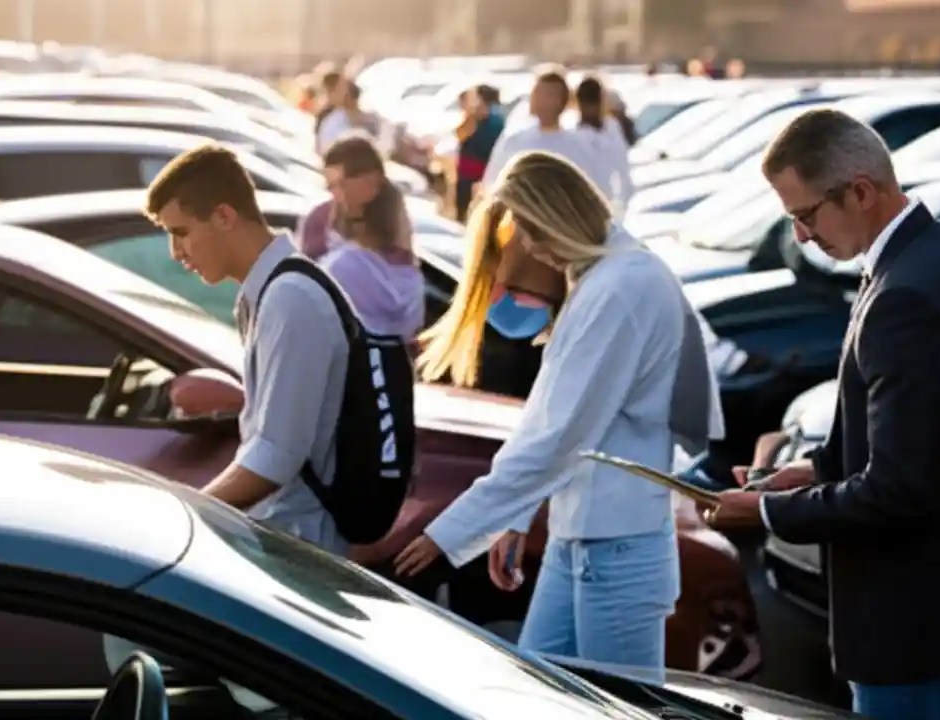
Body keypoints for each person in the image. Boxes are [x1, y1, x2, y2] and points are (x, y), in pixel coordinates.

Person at [705, 109, 940, 720]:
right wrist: (808, 473)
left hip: (913, 619)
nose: (802, 236)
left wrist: (764, 511)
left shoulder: (909, 293)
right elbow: (909, 441)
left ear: (860, 191)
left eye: (804, 215)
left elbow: (900, 488)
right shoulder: (925, 257)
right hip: (932, 612)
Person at [394, 150, 723, 670]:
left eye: (529, 234)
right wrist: (517, 515)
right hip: (584, 541)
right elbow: (551, 419)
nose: (529, 249)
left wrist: (449, 532)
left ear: (554, 218)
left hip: (616, 551)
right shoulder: (605, 279)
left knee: (615, 710)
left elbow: (559, 435)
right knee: (539, 694)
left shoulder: (620, 288)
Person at [148, 144, 349, 555]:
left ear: (224, 216)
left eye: (180, 232)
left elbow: (275, 458)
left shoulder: (291, 297)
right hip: (284, 540)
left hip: (302, 548)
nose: (175, 252)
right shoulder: (272, 291)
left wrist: (190, 516)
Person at [305, 132, 424, 341]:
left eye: (341, 184)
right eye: (331, 186)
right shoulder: (321, 222)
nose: (336, 194)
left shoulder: (388, 249)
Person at [478, 68, 598, 202]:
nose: (542, 101)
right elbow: (491, 183)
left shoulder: (577, 147)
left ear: (562, 100)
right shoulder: (515, 140)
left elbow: (590, 192)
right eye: (538, 94)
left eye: (549, 95)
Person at [572, 76, 634, 215]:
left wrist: (621, 206)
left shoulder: (612, 128)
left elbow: (623, 168)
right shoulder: (571, 134)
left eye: (594, 101)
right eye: (586, 101)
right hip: (581, 210)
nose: (591, 107)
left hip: (612, 208)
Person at [454, 84, 506, 221]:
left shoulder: (495, 120)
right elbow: (459, 135)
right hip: (469, 172)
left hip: (482, 172)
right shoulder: (475, 118)